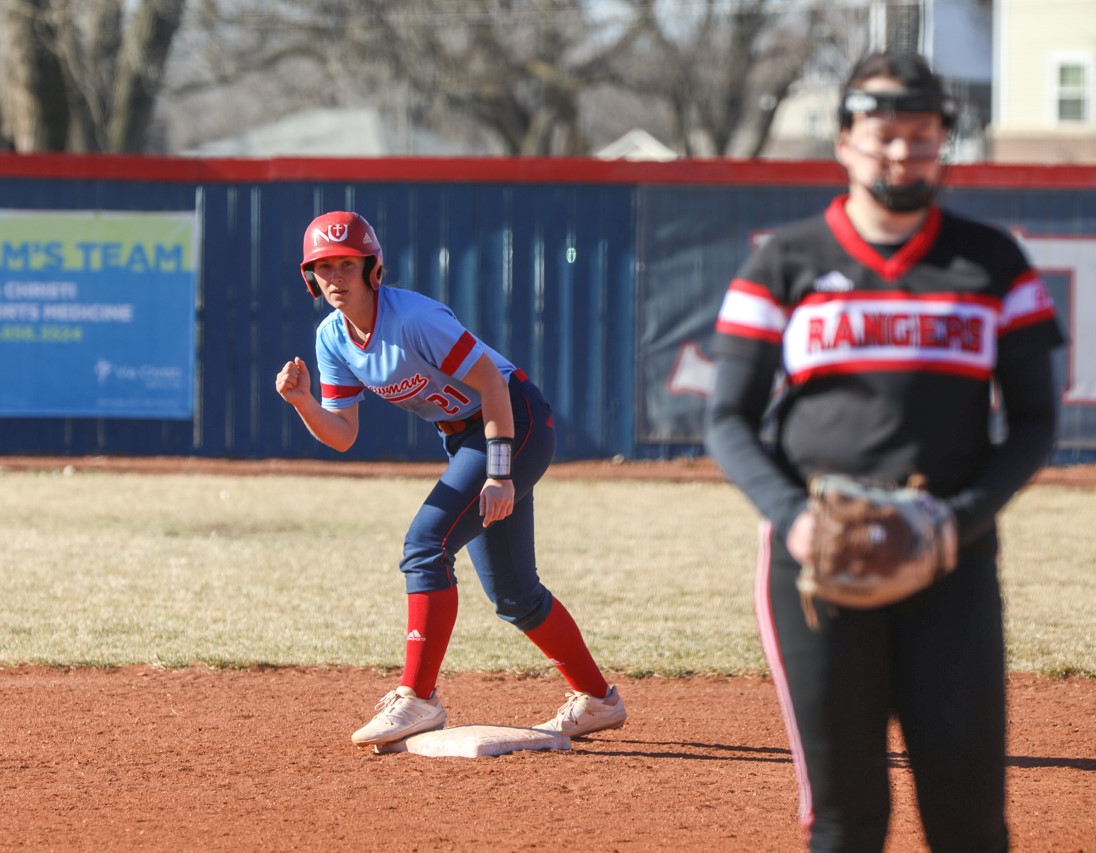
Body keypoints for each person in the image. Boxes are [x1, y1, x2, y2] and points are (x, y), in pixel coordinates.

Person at [705, 52, 1063, 851]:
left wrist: (958, 521)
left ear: (943, 143)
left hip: (951, 562)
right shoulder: (785, 262)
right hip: (818, 568)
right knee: (844, 815)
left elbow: (1036, 420)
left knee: (968, 818)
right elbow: (727, 418)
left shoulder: (991, 261)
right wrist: (793, 517)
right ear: (843, 142)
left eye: (923, 135)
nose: (903, 152)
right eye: (884, 135)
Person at [275, 211, 626, 748]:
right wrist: (301, 402)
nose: (335, 277)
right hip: (467, 439)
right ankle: (598, 700)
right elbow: (343, 433)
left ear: (373, 268)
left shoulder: (414, 316)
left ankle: (418, 698)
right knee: (513, 594)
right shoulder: (332, 338)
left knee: (425, 545)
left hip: (515, 422)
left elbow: (489, 380)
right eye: (324, 267)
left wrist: (501, 473)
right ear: (310, 278)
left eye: (347, 264)